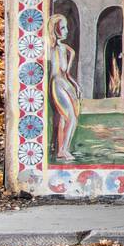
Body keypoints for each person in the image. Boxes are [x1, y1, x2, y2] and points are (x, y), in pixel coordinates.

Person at [47, 14, 81, 161]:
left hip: (65, 83)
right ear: (55, 30)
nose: (66, 31)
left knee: (64, 118)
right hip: (57, 84)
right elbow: (56, 73)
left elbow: (66, 73)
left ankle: (61, 149)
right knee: (71, 118)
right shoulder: (52, 48)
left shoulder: (65, 49)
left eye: (66, 27)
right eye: (62, 28)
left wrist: (75, 85)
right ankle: (63, 150)